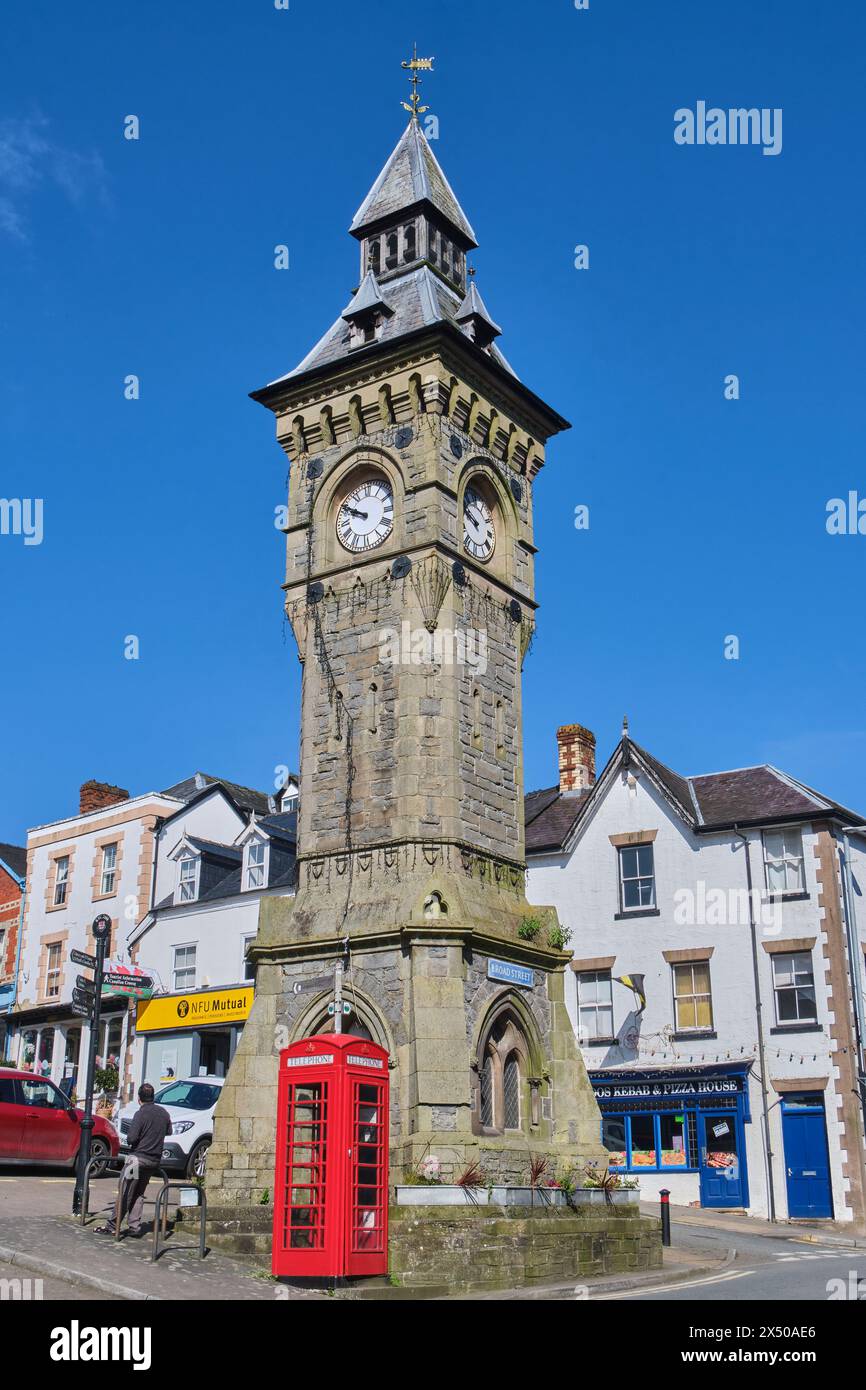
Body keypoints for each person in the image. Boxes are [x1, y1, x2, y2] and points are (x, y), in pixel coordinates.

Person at [96, 1083, 171, 1238]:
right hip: (154, 1161)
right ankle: (134, 1227)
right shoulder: (163, 1113)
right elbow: (169, 1131)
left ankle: (112, 1226)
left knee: (125, 1191)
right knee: (139, 1193)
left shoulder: (140, 1114)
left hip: (137, 1159)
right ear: (153, 1097)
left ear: (139, 1099)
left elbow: (131, 1138)